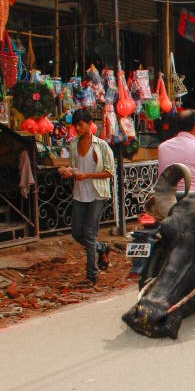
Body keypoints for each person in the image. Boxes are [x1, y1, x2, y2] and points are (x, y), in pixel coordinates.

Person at [58, 108, 115, 286]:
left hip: (97, 193)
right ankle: (102, 248)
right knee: (77, 232)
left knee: (89, 234)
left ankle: (91, 276)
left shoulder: (102, 145)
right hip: (79, 193)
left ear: (90, 125)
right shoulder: (73, 143)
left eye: (80, 125)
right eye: (75, 125)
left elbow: (109, 172)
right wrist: (68, 172)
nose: (77, 128)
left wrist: (87, 176)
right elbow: (75, 167)